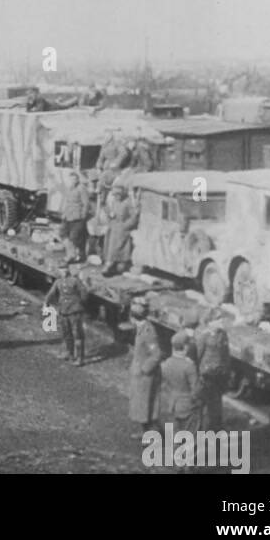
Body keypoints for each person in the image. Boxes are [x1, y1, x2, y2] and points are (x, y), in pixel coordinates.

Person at [192, 307, 231, 432]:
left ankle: (216, 429)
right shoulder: (203, 336)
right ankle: (199, 430)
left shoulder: (222, 334)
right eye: (218, 319)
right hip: (206, 375)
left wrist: (226, 371)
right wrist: (196, 376)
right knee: (202, 405)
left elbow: (226, 354)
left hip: (218, 375)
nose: (221, 322)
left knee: (216, 404)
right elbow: (197, 356)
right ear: (210, 321)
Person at [128, 297, 163, 438]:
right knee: (142, 405)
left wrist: (144, 369)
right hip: (140, 374)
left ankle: (153, 434)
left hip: (146, 376)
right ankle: (147, 432)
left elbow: (156, 354)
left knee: (147, 405)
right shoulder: (141, 328)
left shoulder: (148, 331)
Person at [44, 260, 89, 365]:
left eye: (65, 269)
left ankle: (80, 358)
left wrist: (79, 304)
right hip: (64, 311)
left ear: (68, 269)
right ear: (59, 270)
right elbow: (51, 292)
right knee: (67, 333)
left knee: (78, 334)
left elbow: (84, 293)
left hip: (74, 311)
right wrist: (46, 301)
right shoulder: (58, 282)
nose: (63, 271)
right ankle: (69, 353)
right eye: (61, 269)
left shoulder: (75, 281)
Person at [102, 184, 139, 277]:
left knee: (119, 249)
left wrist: (125, 226)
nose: (116, 196)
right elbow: (112, 213)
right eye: (115, 194)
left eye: (118, 194)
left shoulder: (128, 202)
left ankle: (114, 265)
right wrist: (110, 215)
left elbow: (134, 218)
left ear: (122, 193)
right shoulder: (115, 201)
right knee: (110, 247)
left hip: (122, 230)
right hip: (114, 227)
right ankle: (110, 266)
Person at [58, 170, 89, 262]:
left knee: (73, 237)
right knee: (62, 233)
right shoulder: (69, 188)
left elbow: (86, 203)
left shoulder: (81, 188)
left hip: (77, 217)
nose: (73, 181)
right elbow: (67, 202)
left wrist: (83, 215)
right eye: (71, 179)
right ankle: (72, 254)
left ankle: (71, 256)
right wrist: (64, 213)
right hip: (67, 215)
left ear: (77, 180)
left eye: (75, 179)